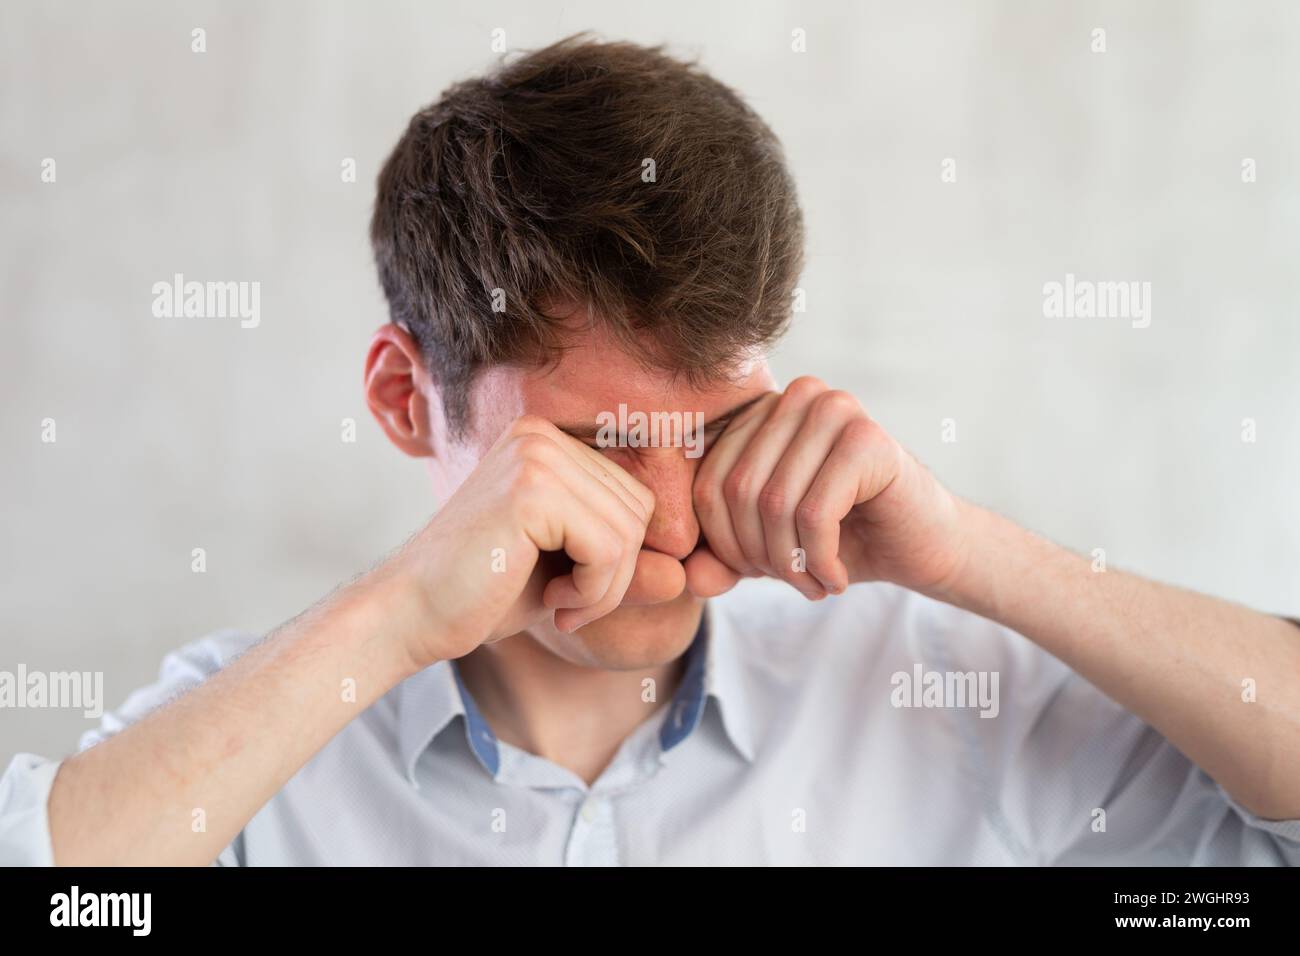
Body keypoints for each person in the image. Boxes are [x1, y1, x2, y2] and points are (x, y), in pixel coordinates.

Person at [2, 35, 1297, 866]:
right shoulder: (253, 749)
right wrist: (399, 614)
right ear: (408, 400)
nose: (677, 524)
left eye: (720, 430)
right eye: (601, 448)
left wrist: (976, 559)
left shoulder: (942, 698)